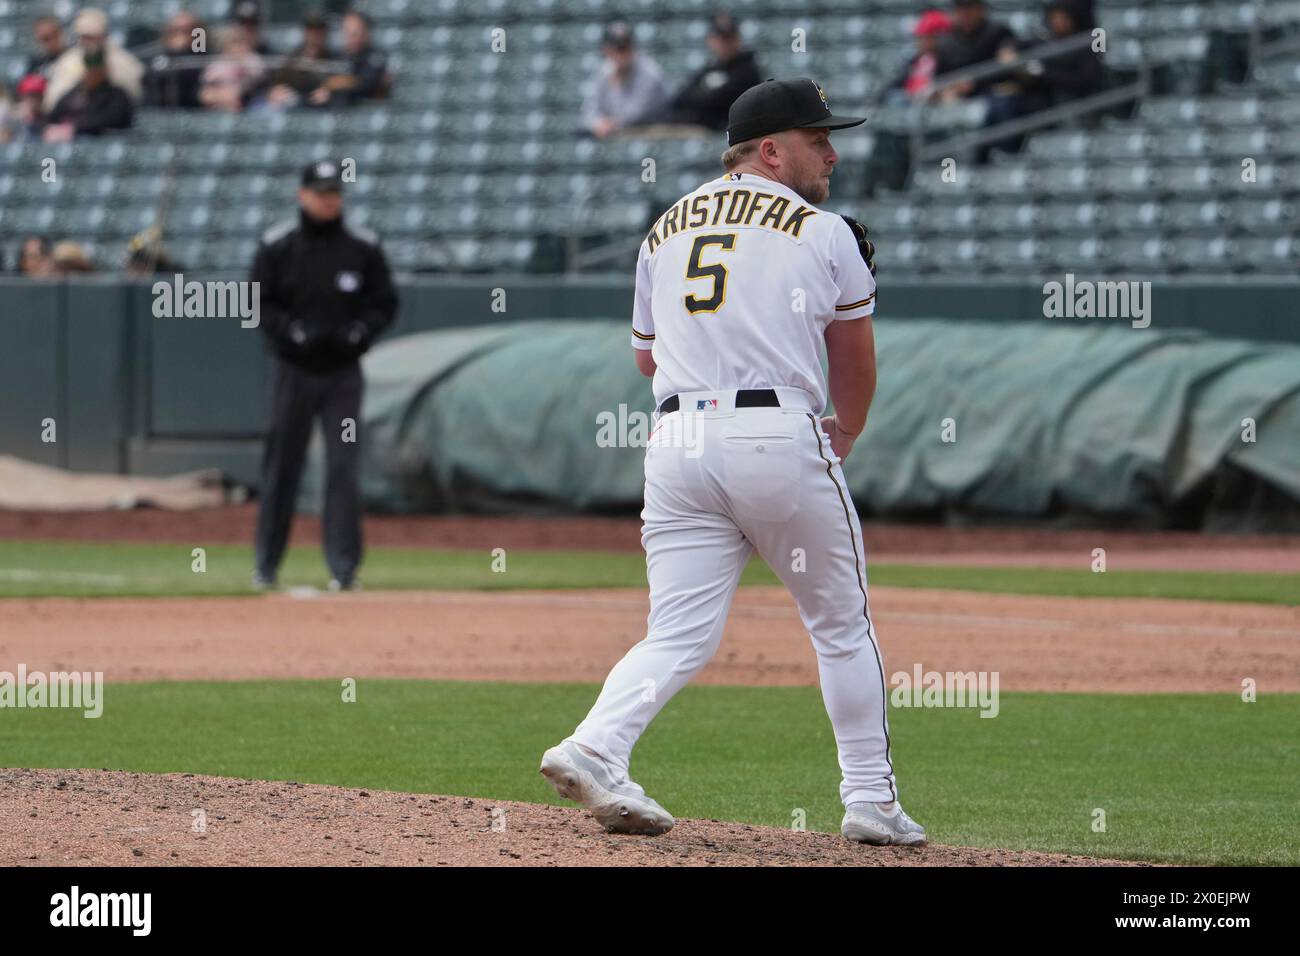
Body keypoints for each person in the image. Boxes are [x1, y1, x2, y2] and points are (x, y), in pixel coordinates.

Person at [540, 77, 925, 848]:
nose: (834, 153)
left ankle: (595, 747)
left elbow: (647, 364)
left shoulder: (664, 227)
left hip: (677, 446)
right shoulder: (825, 232)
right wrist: (845, 430)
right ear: (772, 151)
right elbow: (854, 360)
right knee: (841, 626)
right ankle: (871, 800)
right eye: (818, 140)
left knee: (676, 633)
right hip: (776, 435)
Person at [250, 161, 398, 592]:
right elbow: (258, 302)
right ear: (302, 195)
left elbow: (385, 303)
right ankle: (265, 566)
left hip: (342, 376)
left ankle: (344, 568)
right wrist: (290, 331)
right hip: (292, 372)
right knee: (282, 468)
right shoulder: (278, 245)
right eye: (320, 192)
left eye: (335, 192)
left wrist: (359, 332)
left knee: (343, 469)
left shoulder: (363, 246)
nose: (329, 200)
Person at [655, 13, 760, 131]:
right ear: (710, 40)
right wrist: (704, 95)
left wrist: (703, 95)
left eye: (728, 38)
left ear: (738, 39)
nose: (723, 43)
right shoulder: (711, 68)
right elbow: (680, 99)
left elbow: (720, 100)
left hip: (727, 132)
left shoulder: (747, 69)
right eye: (719, 38)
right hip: (702, 126)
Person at [43, 7, 144, 111]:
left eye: (91, 36)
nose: (86, 41)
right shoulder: (67, 61)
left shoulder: (124, 61)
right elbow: (53, 102)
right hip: (73, 116)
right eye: (83, 36)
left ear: (103, 35)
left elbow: (132, 99)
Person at [580, 21, 668, 139]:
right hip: (617, 133)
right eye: (616, 49)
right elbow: (589, 110)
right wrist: (598, 122)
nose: (621, 54)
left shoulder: (650, 73)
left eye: (624, 48)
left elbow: (637, 115)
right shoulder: (605, 70)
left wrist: (610, 123)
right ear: (606, 50)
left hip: (649, 134)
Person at [934, 0, 1018, 100]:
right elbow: (939, 76)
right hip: (958, 96)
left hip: (991, 91)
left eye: (970, 8)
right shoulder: (946, 41)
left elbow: (1007, 62)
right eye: (961, 9)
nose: (965, 14)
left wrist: (975, 82)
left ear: (981, 9)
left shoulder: (997, 31)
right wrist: (950, 87)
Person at [44, 47, 133, 140]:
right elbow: (54, 115)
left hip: (100, 141)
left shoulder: (117, 95)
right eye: (89, 70)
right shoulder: (76, 91)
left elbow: (112, 119)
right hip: (69, 140)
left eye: (95, 70)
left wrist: (76, 126)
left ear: (104, 70)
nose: (91, 74)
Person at [306, 10, 390, 107]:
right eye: (347, 31)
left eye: (356, 31)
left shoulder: (375, 56)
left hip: (363, 110)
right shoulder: (338, 56)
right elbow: (319, 82)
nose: (351, 36)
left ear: (366, 32)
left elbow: (367, 84)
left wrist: (337, 84)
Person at [255, 12, 338, 110]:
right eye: (311, 30)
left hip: (324, 109)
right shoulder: (293, 58)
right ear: (305, 32)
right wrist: (273, 91)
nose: (315, 35)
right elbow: (273, 82)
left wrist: (331, 91)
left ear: (325, 33)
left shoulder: (335, 59)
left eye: (319, 30)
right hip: (294, 108)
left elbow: (349, 81)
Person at [880, 9, 952, 105]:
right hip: (909, 104)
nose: (921, 41)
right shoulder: (914, 61)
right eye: (921, 37)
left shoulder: (949, 61)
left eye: (928, 37)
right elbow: (894, 84)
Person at [142, 10, 209, 108]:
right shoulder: (157, 59)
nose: (179, 36)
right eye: (174, 31)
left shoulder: (204, 56)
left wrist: (181, 52)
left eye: (186, 31)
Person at [199, 24, 266, 112]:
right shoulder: (218, 63)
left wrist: (241, 63)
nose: (238, 47)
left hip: (245, 98)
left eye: (241, 42)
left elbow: (256, 78)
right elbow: (208, 81)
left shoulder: (253, 60)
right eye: (234, 42)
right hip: (219, 96)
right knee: (206, 94)